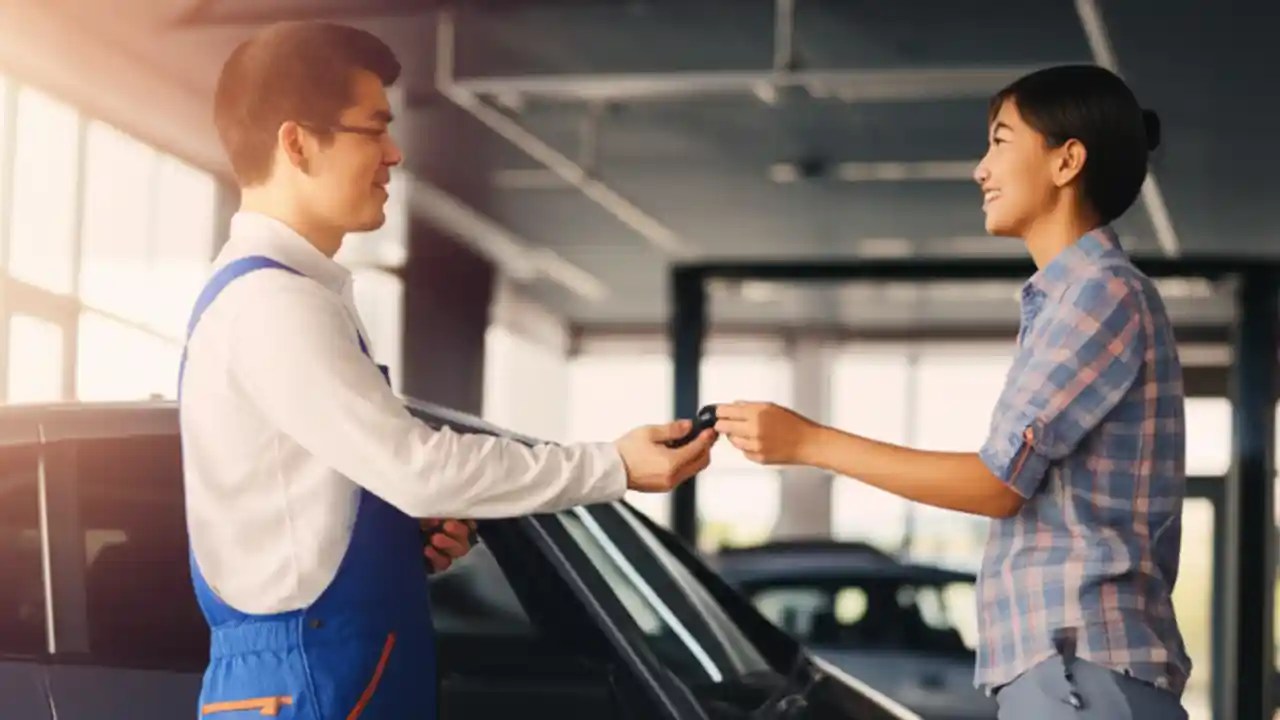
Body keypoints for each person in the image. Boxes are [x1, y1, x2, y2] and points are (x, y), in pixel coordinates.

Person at [178, 21, 715, 720]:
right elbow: (416, 467)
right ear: (297, 143)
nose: (394, 153)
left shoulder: (283, 295)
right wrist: (612, 466)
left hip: (321, 668)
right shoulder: (273, 303)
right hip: (312, 677)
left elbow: (304, 500)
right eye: (374, 129)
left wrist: (391, 539)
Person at [715, 65, 1190, 719]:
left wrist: (810, 443)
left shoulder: (1099, 293)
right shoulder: (1071, 299)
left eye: (1000, 141)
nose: (980, 169)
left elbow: (997, 483)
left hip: (1083, 669)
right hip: (1070, 672)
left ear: (1066, 161)